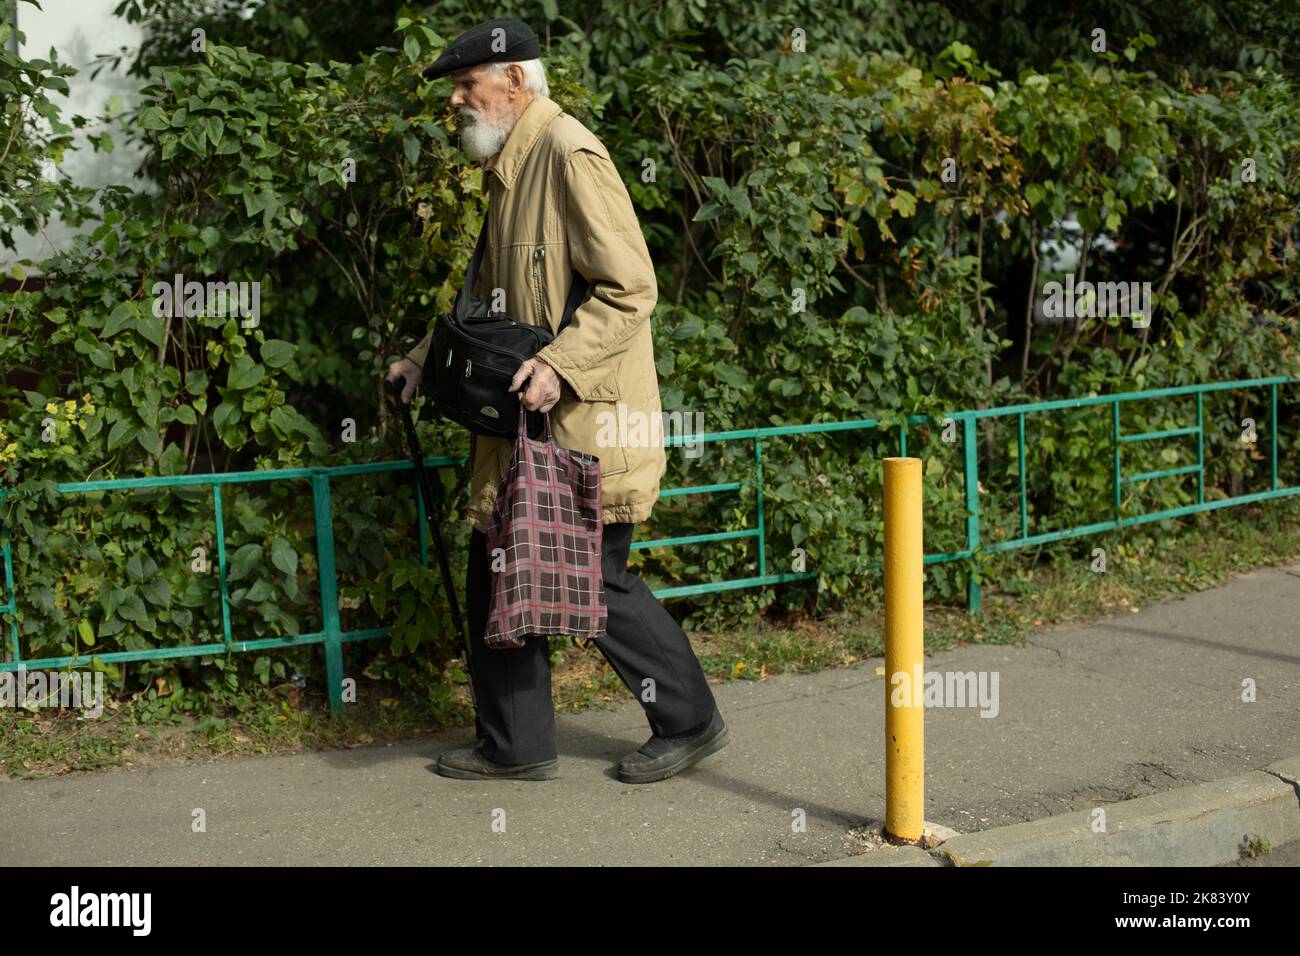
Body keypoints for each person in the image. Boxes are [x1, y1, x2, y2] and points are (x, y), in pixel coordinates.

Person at [385, 17, 727, 783]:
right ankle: (516, 744)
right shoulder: (509, 165)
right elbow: (481, 301)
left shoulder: (568, 154)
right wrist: (418, 360)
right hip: (526, 428)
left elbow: (631, 287)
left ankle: (691, 720)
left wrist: (560, 367)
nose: (455, 104)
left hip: (585, 424)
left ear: (514, 80)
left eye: (465, 87)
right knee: (494, 566)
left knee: (598, 583)